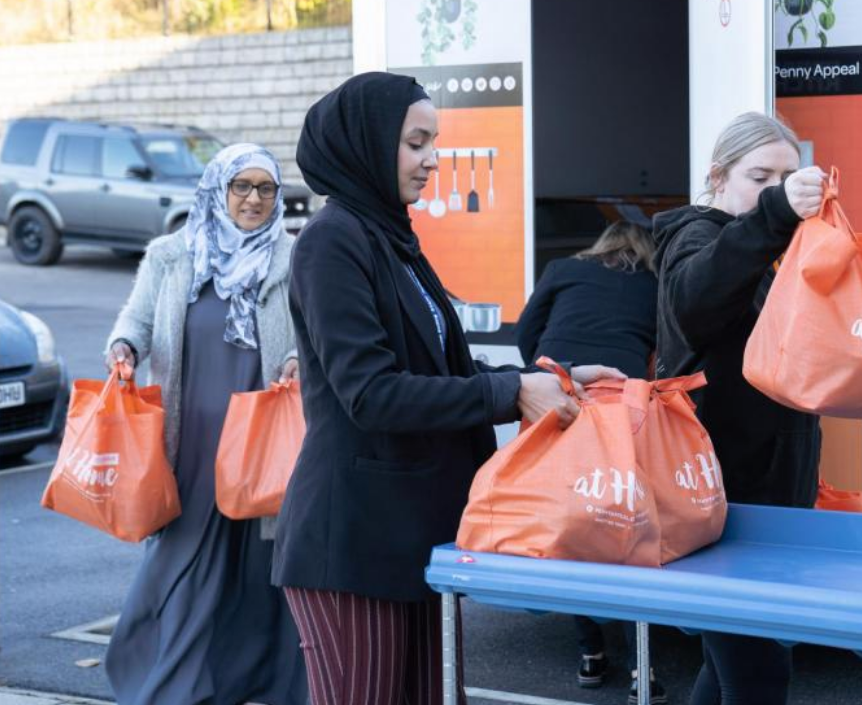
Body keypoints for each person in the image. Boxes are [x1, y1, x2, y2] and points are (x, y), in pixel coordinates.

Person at [272, 71, 621, 705]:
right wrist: (510, 395)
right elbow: (371, 394)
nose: (433, 159)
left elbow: (442, 370)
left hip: (414, 532)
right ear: (366, 144)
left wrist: (548, 380)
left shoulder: (392, 239)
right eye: (416, 143)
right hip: (353, 543)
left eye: (433, 141)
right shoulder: (331, 242)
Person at [103, 143, 307, 705]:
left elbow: (314, 332)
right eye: (241, 186)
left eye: (266, 188)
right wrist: (123, 346)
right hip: (190, 437)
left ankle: (256, 678)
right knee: (184, 557)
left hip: (264, 437)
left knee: (259, 561)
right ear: (218, 189)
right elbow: (138, 318)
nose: (254, 199)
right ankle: (173, 684)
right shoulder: (172, 254)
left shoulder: (292, 258)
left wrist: (299, 359)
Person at [653, 111, 825, 705]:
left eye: (786, 178)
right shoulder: (695, 237)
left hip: (766, 496)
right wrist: (777, 213)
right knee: (758, 675)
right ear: (717, 177)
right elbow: (697, 299)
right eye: (760, 177)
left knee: (732, 667)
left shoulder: (766, 252)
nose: (775, 190)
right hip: (724, 498)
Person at [516, 221, 666, 705]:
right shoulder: (655, 284)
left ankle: (590, 652)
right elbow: (663, 352)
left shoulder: (563, 270)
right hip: (620, 409)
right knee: (628, 529)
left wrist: (552, 378)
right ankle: (642, 666)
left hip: (557, 403)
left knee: (571, 526)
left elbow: (527, 334)